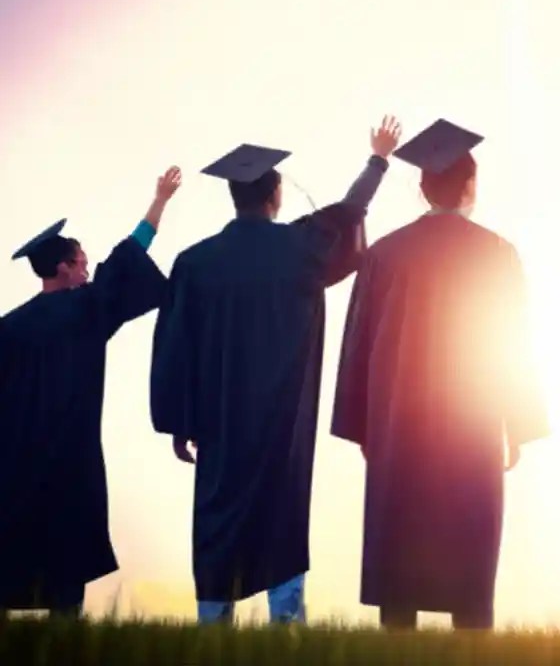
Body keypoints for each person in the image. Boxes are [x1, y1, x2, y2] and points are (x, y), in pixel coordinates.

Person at [150, 117, 401, 625]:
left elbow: (174, 347)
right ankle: (287, 632)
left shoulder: (194, 263)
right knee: (282, 517)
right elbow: (350, 213)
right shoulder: (298, 249)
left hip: (218, 427)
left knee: (219, 520)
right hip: (282, 424)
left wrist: (179, 423)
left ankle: (212, 628)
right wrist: (377, 159)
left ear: (235, 196)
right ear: (275, 194)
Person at [332, 118, 547, 631]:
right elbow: (513, 344)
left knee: (399, 551)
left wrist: (364, 424)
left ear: (423, 187)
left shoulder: (384, 252)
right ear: (470, 187)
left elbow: (358, 342)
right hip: (471, 428)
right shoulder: (498, 253)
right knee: (467, 553)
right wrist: (515, 425)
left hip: (398, 424)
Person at [0, 168, 182, 618]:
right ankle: (66, 641)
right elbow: (129, 257)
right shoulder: (84, 309)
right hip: (69, 456)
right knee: (66, 559)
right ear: (63, 267)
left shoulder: (8, 328)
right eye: (82, 262)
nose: (88, 269)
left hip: (12, 460)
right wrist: (159, 200)